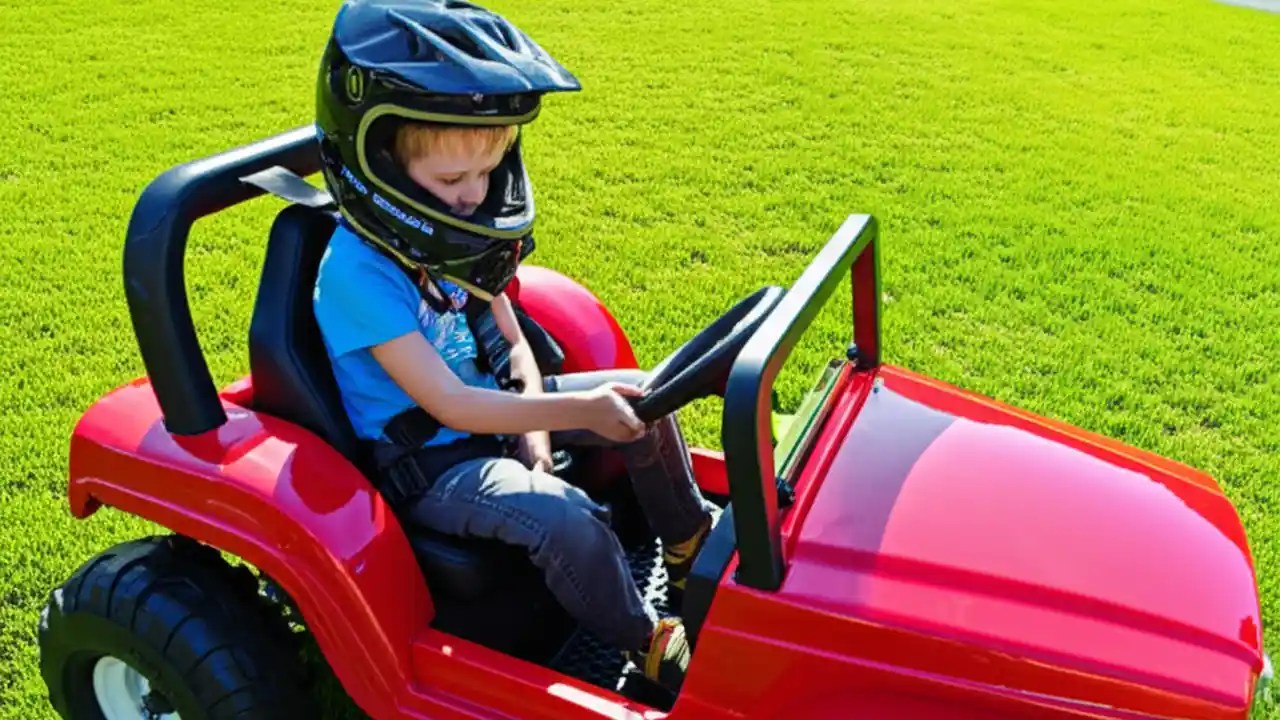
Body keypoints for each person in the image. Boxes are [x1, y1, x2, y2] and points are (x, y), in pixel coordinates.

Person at [311, 0, 714, 691]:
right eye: (451, 180)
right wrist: (576, 411)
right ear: (380, 165)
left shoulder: (444, 233)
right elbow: (452, 405)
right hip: (434, 461)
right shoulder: (356, 276)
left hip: (492, 409)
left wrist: (538, 423)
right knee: (568, 520)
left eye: (487, 173)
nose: (473, 196)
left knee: (644, 396)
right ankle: (644, 642)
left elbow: (509, 338)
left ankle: (690, 548)